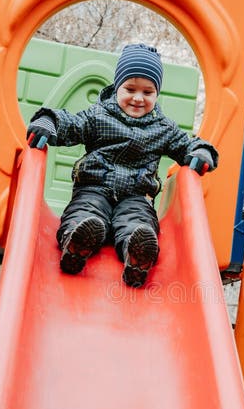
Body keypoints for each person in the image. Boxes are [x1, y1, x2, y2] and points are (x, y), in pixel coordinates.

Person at [26, 43, 218, 288]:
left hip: (136, 197)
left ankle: (137, 258)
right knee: (86, 211)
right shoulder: (98, 116)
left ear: (156, 95)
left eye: (148, 93)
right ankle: (76, 244)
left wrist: (201, 151)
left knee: (138, 222)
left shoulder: (163, 128)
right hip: (93, 188)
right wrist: (48, 121)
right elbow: (71, 124)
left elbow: (185, 145)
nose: (138, 98)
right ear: (117, 87)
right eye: (130, 89)